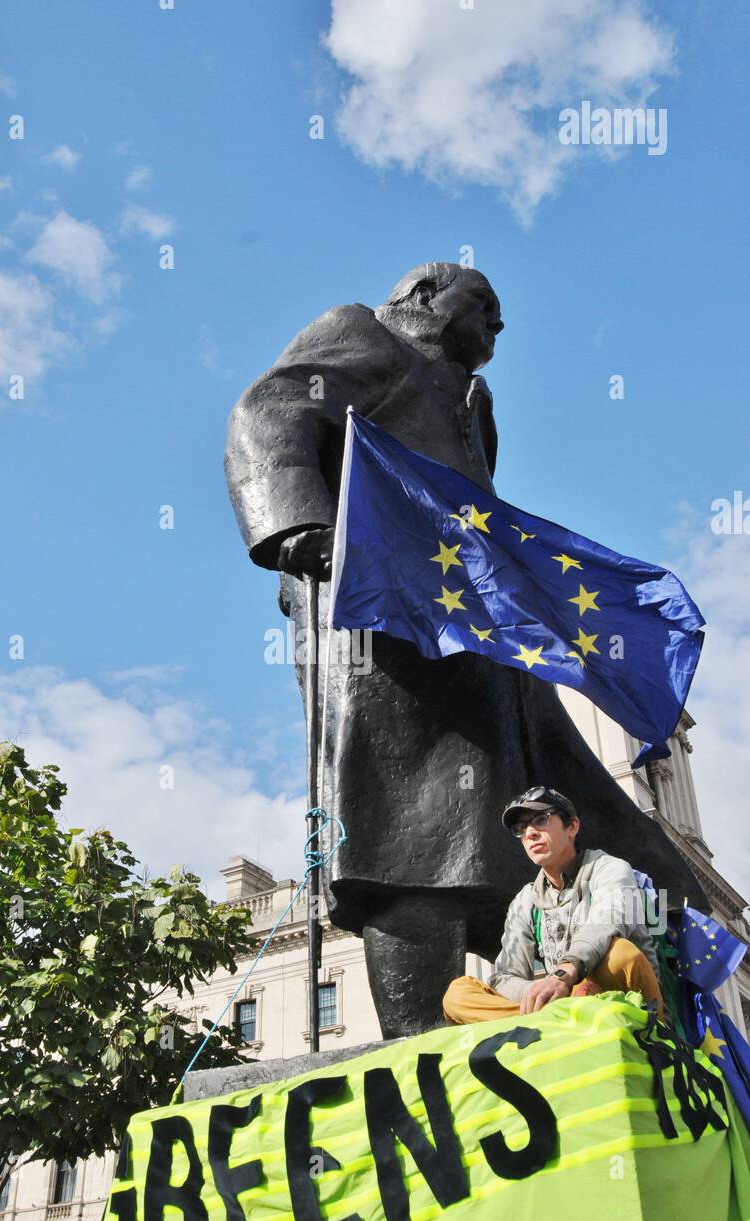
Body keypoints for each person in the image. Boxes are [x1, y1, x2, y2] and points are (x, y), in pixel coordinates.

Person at [224, 262, 706, 1040]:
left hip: (476, 639)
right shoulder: (364, 333)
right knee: (409, 830)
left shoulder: (473, 401)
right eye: (483, 306)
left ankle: (664, 956)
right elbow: (266, 413)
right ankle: (421, 1056)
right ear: (423, 297)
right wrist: (301, 529)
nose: (497, 327)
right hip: (381, 624)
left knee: (574, 823)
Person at [442, 787, 665, 1025]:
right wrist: (539, 992)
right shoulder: (526, 899)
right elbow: (506, 976)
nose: (530, 833)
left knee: (621, 953)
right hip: (563, 1001)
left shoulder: (610, 868)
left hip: (625, 998)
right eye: (521, 828)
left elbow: (608, 921)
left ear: (572, 827)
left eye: (540, 820)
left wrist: (563, 976)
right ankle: (558, 1016)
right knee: (458, 994)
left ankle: (551, 1018)